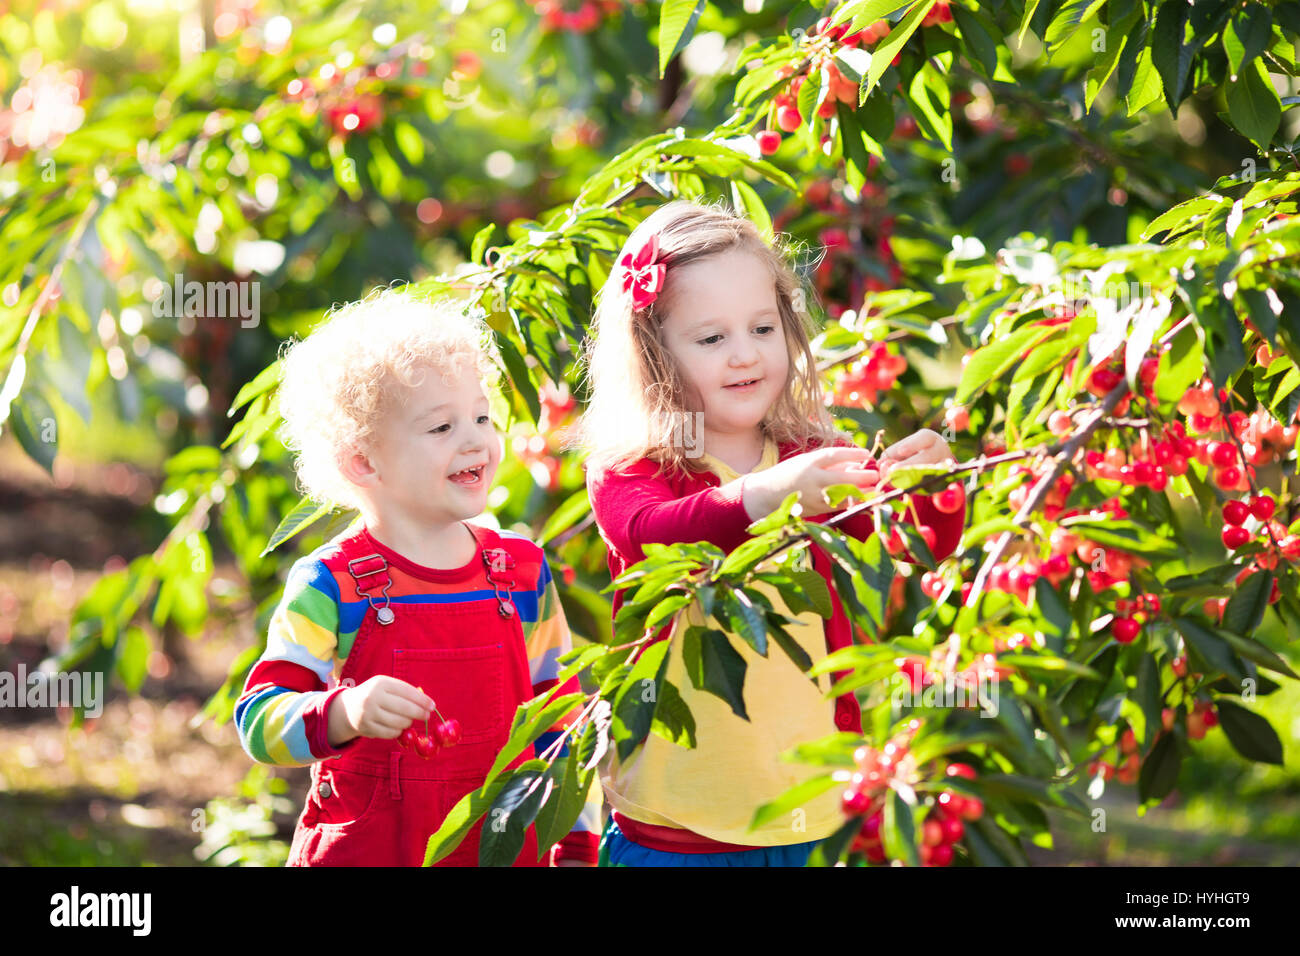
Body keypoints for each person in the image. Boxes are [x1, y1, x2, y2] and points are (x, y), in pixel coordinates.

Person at [566, 199, 966, 866]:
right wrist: (764, 497)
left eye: (761, 327)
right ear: (653, 354)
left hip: (808, 812)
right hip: (679, 824)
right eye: (711, 338)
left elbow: (912, 548)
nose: (744, 355)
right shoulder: (632, 467)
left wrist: (932, 493)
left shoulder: (807, 452)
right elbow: (650, 535)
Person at [235, 288, 599, 867]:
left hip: (501, 848)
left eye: (482, 416)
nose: (476, 438)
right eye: (441, 428)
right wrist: (342, 713)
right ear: (363, 462)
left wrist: (577, 840)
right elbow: (259, 721)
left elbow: (561, 715)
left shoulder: (522, 571)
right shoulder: (333, 584)